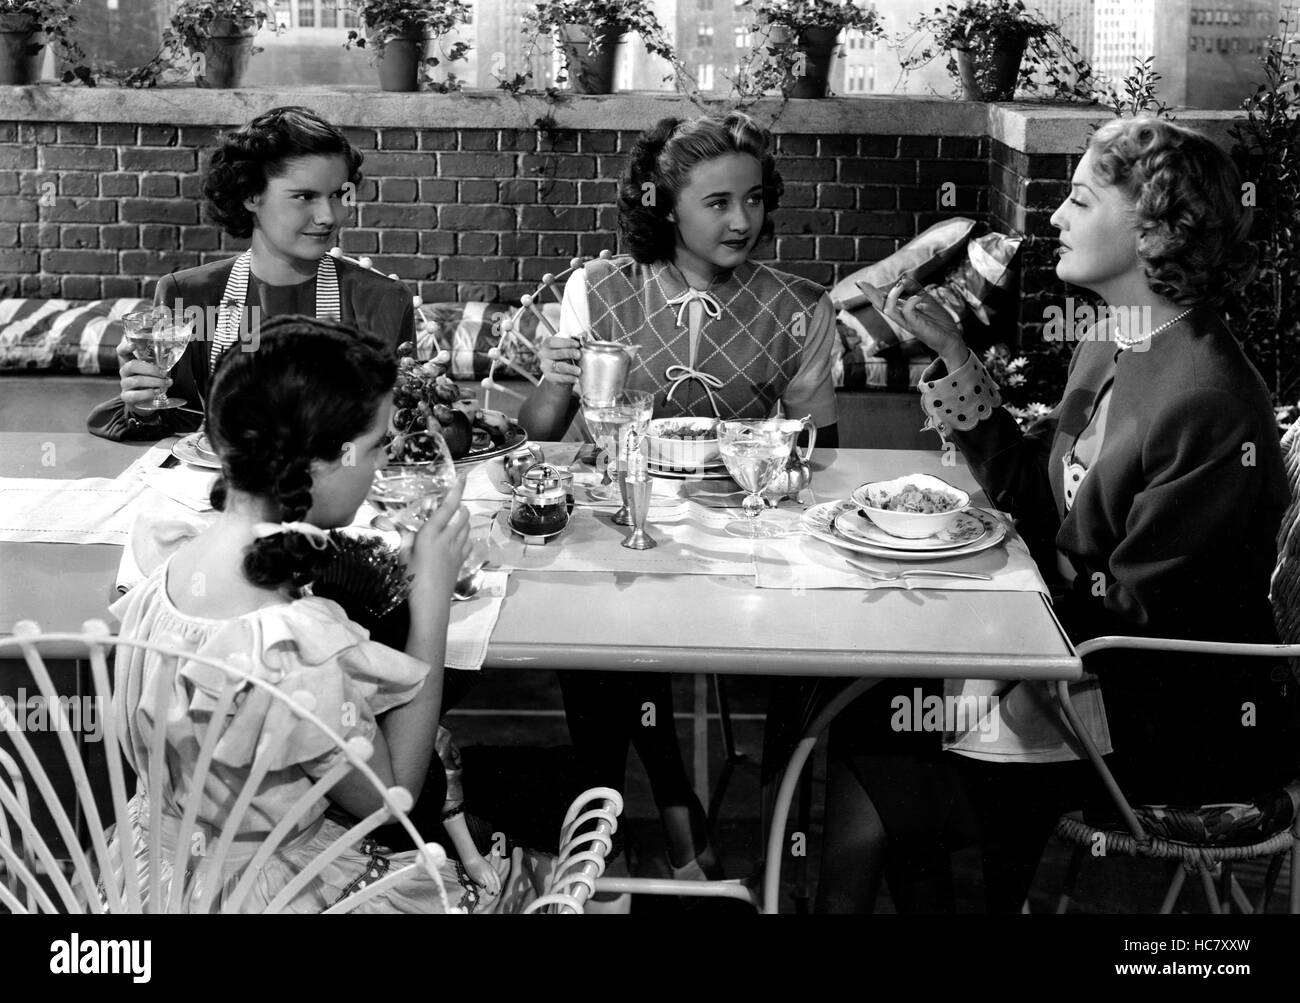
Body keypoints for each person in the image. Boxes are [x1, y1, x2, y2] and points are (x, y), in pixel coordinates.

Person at [818, 116, 1300, 913]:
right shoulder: (1116, 338)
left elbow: (1141, 618)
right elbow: (1045, 514)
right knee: (870, 710)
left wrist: (968, 638)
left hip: (1171, 717)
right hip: (1089, 659)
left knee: (884, 747)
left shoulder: (1207, 398)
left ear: (1154, 227)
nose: (1052, 218)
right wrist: (954, 355)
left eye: (1078, 199)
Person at [105, 316, 546, 912]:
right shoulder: (291, 644)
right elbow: (393, 797)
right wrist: (431, 606)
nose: (382, 466)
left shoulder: (171, 558)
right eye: (375, 447)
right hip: (270, 889)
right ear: (317, 464)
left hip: (153, 874)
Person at [517, 111, 839, 882]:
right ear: (664, 203)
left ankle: (613, 831)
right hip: (621, 533)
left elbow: (819, 451)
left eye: (754, 200)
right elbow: (541, 437)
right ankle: (668, 804)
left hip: (741, 547)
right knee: (601, 619)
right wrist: (552, 377)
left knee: (610, 635)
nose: (743, 220)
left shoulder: (801, 305)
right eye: (718, 202)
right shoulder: (597, 288)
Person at [89, 106, 414, 442]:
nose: (328, 216)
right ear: (250, 196)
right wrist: (144, 405)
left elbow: (403, 429)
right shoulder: (186, 296)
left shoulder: (382, 299)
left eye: (336, 195)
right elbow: (177, 425)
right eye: (305, 196)